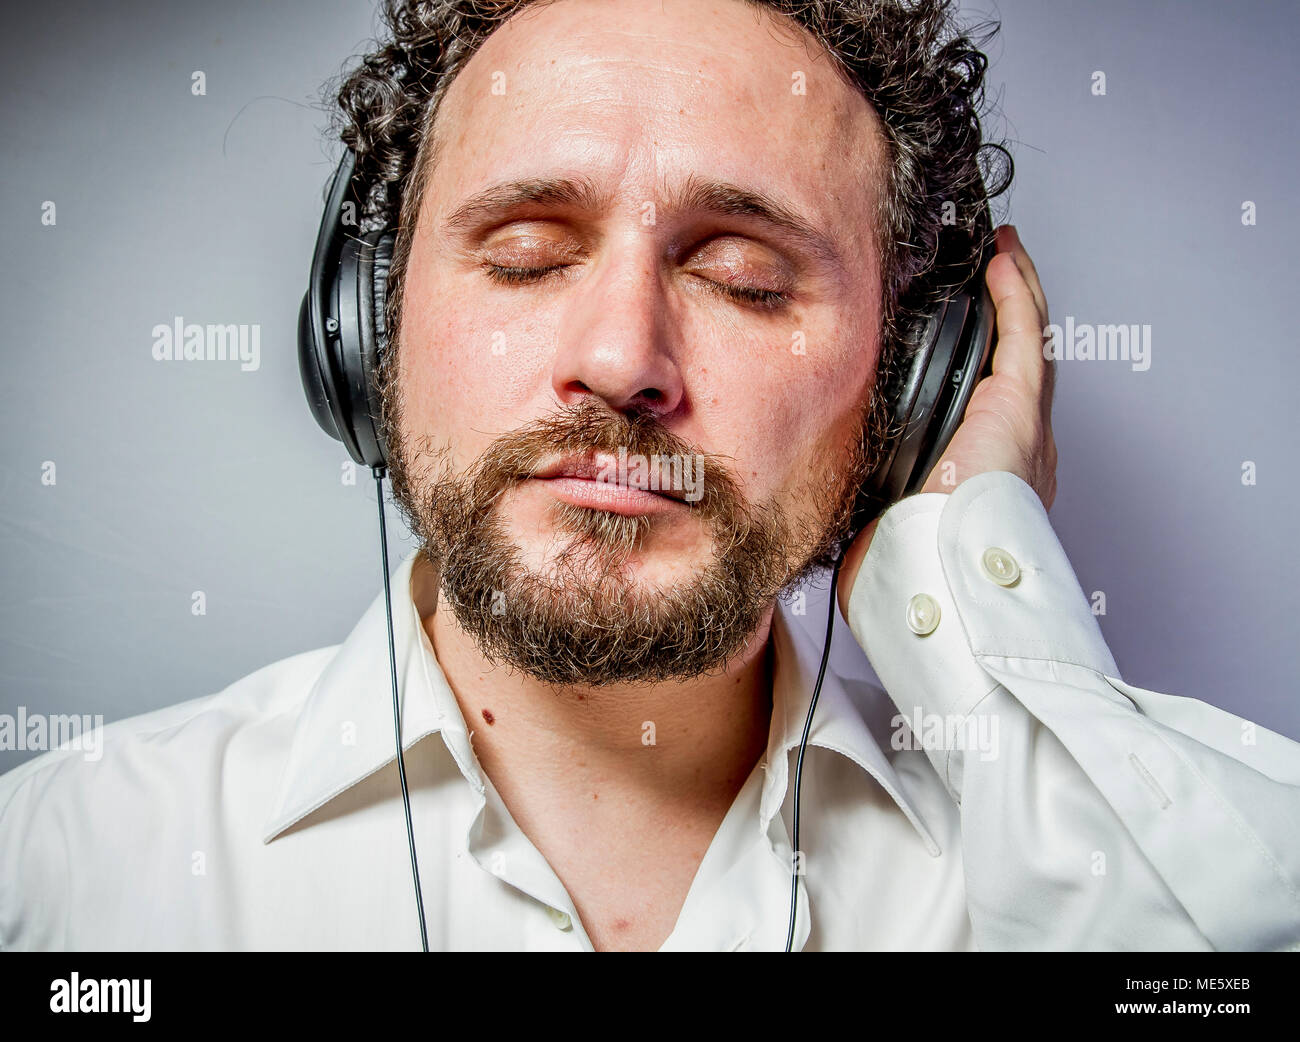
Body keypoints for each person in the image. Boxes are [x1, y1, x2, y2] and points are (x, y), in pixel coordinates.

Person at [2, 0, 1298, 952]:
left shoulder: (1074, 855)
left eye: (742, 278)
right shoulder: (62, 873)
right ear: (366, 322)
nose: (623, 358)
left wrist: (972, 569)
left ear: (914, 384)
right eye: (522, 253)